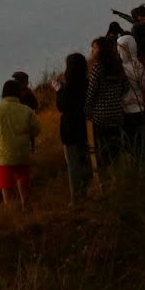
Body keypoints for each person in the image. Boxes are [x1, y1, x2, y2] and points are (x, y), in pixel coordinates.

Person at [0, 79, 41, 208]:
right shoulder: (26, 110)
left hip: (3, 154)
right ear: (18, 93)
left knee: (5, 184)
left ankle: (10, 210)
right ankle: (25, 205)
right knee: (23, 179)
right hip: (22, 151)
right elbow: (36, 129)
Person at [85, 35, 127, 170]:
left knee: (103, 147)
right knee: (116, 146)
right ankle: (118, 170)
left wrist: (87, 110)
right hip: (117, 112)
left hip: (100, 115)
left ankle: (108, 174)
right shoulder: (118, 66)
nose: (92, 51)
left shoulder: (98, 68)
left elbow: (91, 92)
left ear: (101, 50)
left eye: (95, 48)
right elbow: (124, 87)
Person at [55, 52, 91, 201]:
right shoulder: (88, 83)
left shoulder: (67, 88)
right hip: (86, 126)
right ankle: (88, 189)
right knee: (86, 160)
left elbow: (62, 106)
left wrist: (58, 90)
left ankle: (76, 196)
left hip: (70, 128)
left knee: (73, 164)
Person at [117, 34, 145, 159]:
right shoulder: (140, 65)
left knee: (129, 140)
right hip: (140, 107)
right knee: (140, 140)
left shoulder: (122, 68)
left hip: (126, 109)